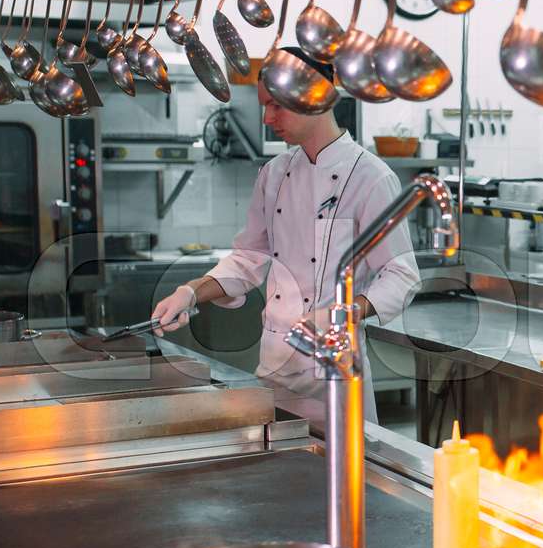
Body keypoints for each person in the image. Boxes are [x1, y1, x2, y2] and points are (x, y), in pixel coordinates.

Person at [149, 49, 420, 405]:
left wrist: (338, 313)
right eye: (265, 105)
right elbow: (248, 259)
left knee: (343, 460)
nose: (266, 118)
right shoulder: (273, 173)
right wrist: (191, 292)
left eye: (276, 105)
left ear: (317, 98)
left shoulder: (370, 177)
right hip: (273, 366)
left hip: (334, 370)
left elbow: (402, 276)